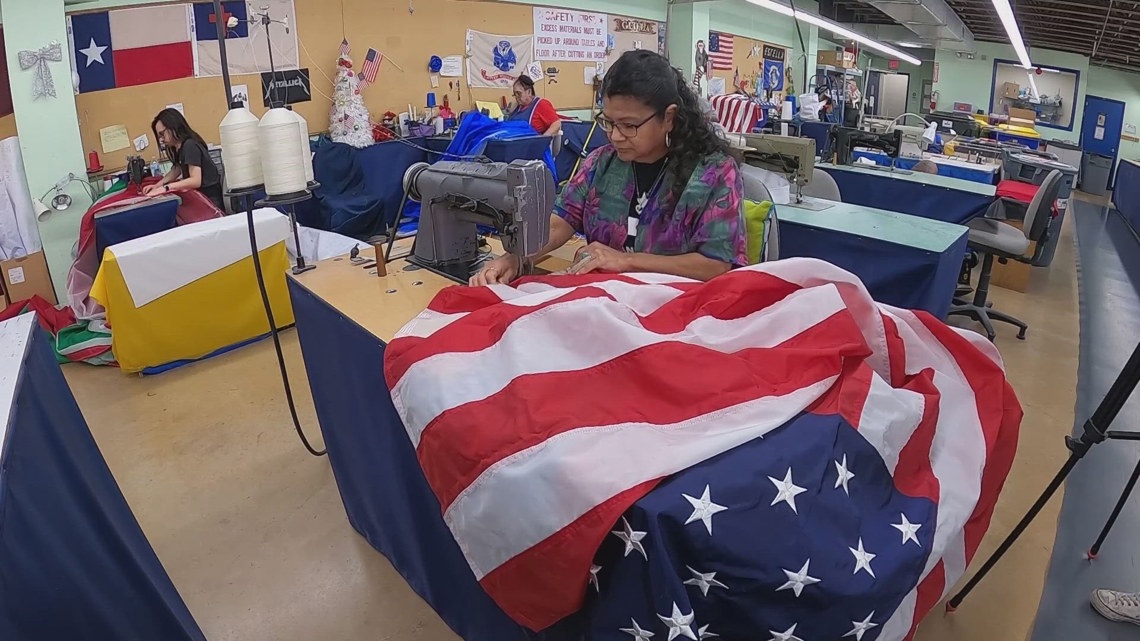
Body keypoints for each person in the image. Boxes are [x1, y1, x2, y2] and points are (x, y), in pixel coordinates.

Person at [471, 49, 746, 286]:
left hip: (677, 314)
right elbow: (561, 222)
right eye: (609, 122)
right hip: (606, 307)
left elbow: (716, 264)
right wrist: (517, 257)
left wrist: (626, 261)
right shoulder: (601, 163)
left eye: (629, 125)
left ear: (669, 117)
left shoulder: (714, 174)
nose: (614, 136)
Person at [143, 108, 225, 211]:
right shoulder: (179, 147)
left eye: (162, 134)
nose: (161, 140)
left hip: (210, 202)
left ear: (173, 127)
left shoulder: (190, 145)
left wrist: (166, 188)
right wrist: (157, 186)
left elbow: (195, 180)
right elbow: (177, 169)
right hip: (201, 198)